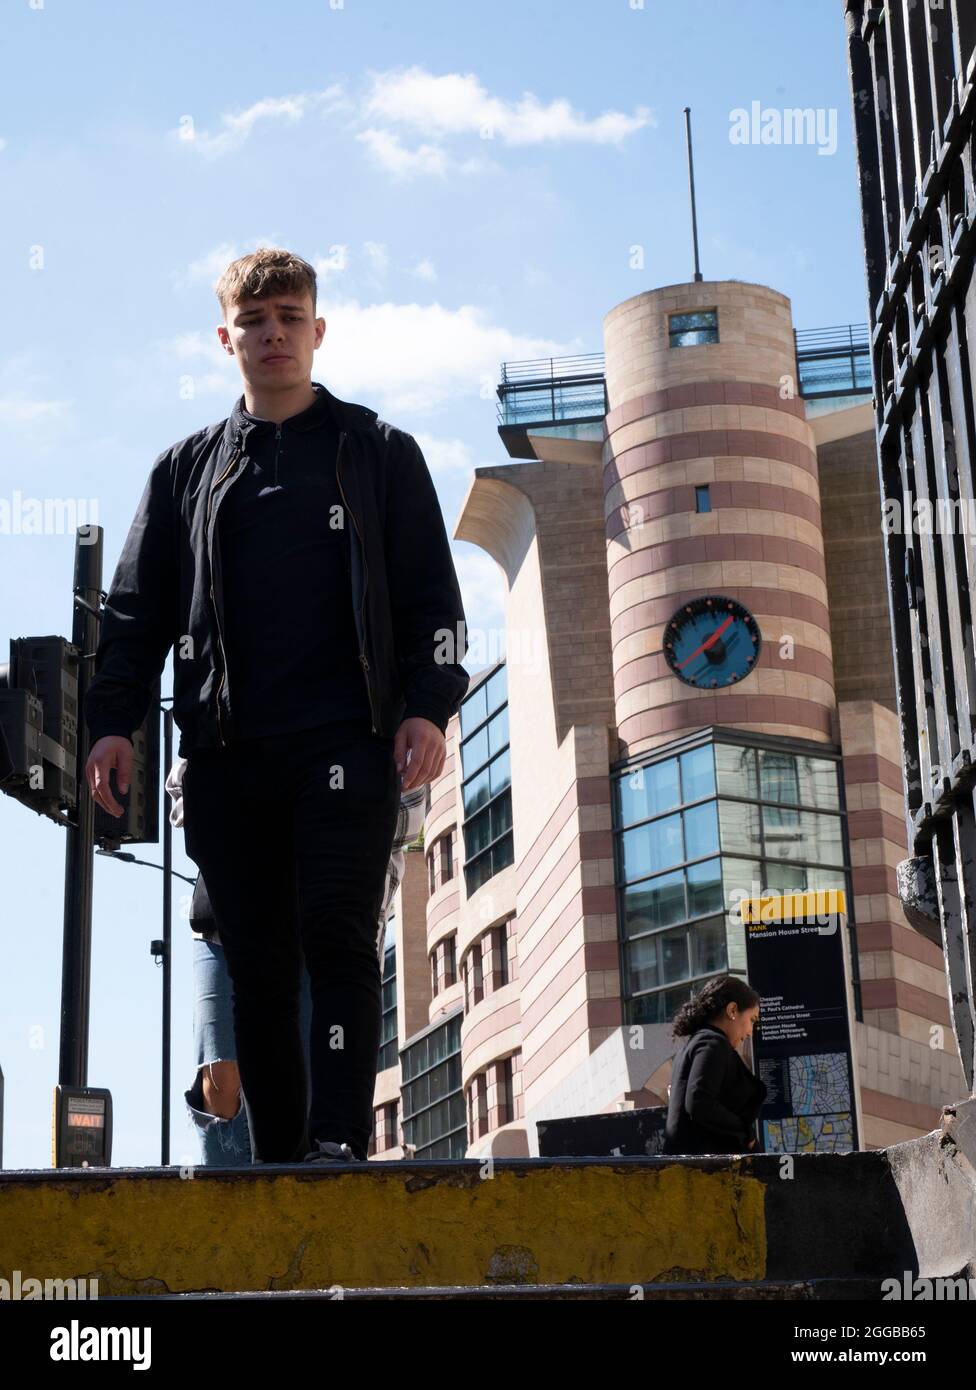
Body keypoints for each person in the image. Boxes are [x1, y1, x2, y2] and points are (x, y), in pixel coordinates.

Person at [84, 247, 469, 1165]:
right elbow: (134, 611)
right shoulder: (185, 473)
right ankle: (283, 1157)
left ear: (317, 330)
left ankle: (339, 1140)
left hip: (348, 737)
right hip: (226, 750)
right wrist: (111, 722)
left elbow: (432, 599)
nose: (273, 335)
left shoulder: (377, 452)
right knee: (256, 958)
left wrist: (429, 706)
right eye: (254, 322)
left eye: (290, 318)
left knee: (337, 933)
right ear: (228, 339)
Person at [164, 757, 426, 1165]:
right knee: (220, 1079)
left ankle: (289, 1198)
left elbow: (402, 818)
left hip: (326, 933)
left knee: (303, 1082)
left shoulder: (373, 711)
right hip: (229, 919)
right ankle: (228, 1209)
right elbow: (184, 780)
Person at [661, 975, 767, 1156]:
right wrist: (746, 1134)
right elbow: (699, 1101)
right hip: (701, 1173)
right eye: (752, 1019)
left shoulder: (698, 1042)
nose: (750, 1032)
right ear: (732, 1010)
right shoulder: (712, 1043)